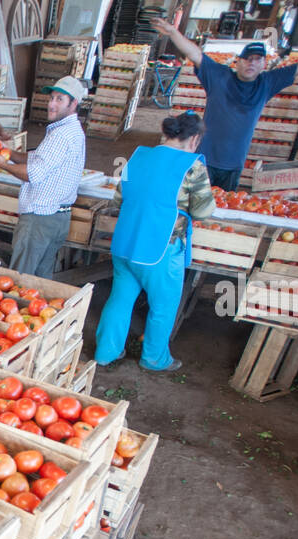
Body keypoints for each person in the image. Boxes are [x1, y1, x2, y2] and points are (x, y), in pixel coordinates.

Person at [151, 17, 298, 190]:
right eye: (246, 59)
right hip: (202, 158)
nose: (251, 64)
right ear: (238, 62)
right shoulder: (219, 76)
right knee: (189, 204)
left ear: (264, 64)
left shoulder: (267, 83)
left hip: (233, 164)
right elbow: (195, 54)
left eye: (257, 60)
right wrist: (174, 33)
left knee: (221, 211)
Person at [94, 112, 215, 373]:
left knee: (120, 298)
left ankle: (105, 353)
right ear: (194, 139)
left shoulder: (138, 157)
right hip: (160, 249)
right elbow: (204, 212)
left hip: (125, 244)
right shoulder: (192, 166)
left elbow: (118, 199)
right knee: (164, 305)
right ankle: (154, 358)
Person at [0, 75, 87, 280]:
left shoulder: (60, 136)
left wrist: (3, 164)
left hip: (40, 218)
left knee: (19, 280)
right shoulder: (72, 130)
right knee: (40, 280)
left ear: (74, 104)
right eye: (51, 98)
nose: (51, 104)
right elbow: (37, 158)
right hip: (59, 218)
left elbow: (32, 173)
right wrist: (11, 154)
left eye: (59, 99)